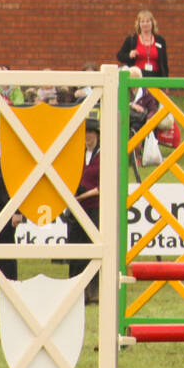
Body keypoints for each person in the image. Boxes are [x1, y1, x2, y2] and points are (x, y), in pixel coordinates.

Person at [0, 112, 24, 304]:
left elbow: (19, 183)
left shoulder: (11, 153)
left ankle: (9, 294)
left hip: (3, 211)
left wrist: (18, 211)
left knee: (5, 255)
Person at [68, 113, 102, 305]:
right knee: (75, 250)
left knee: (93, 250)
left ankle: (94, 292)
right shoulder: (77, 154)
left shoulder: (102, 154)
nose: (88, 136)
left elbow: (103, 186)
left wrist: (81, 196)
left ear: (97, 135)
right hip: (76, 208)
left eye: (90, 132)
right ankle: (75, 291)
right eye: (85, 132)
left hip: (94, 207)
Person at [117, 10, 169, 77]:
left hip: (155, 77)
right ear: (139, 24)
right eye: (142, 21)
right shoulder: (131, 40)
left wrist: (165, 81)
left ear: (152, 23)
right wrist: (129, 55)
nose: (145, 24)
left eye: (147, 21)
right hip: (137, 77)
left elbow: (164, 63)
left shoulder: (160, 40)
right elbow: (119, 56)